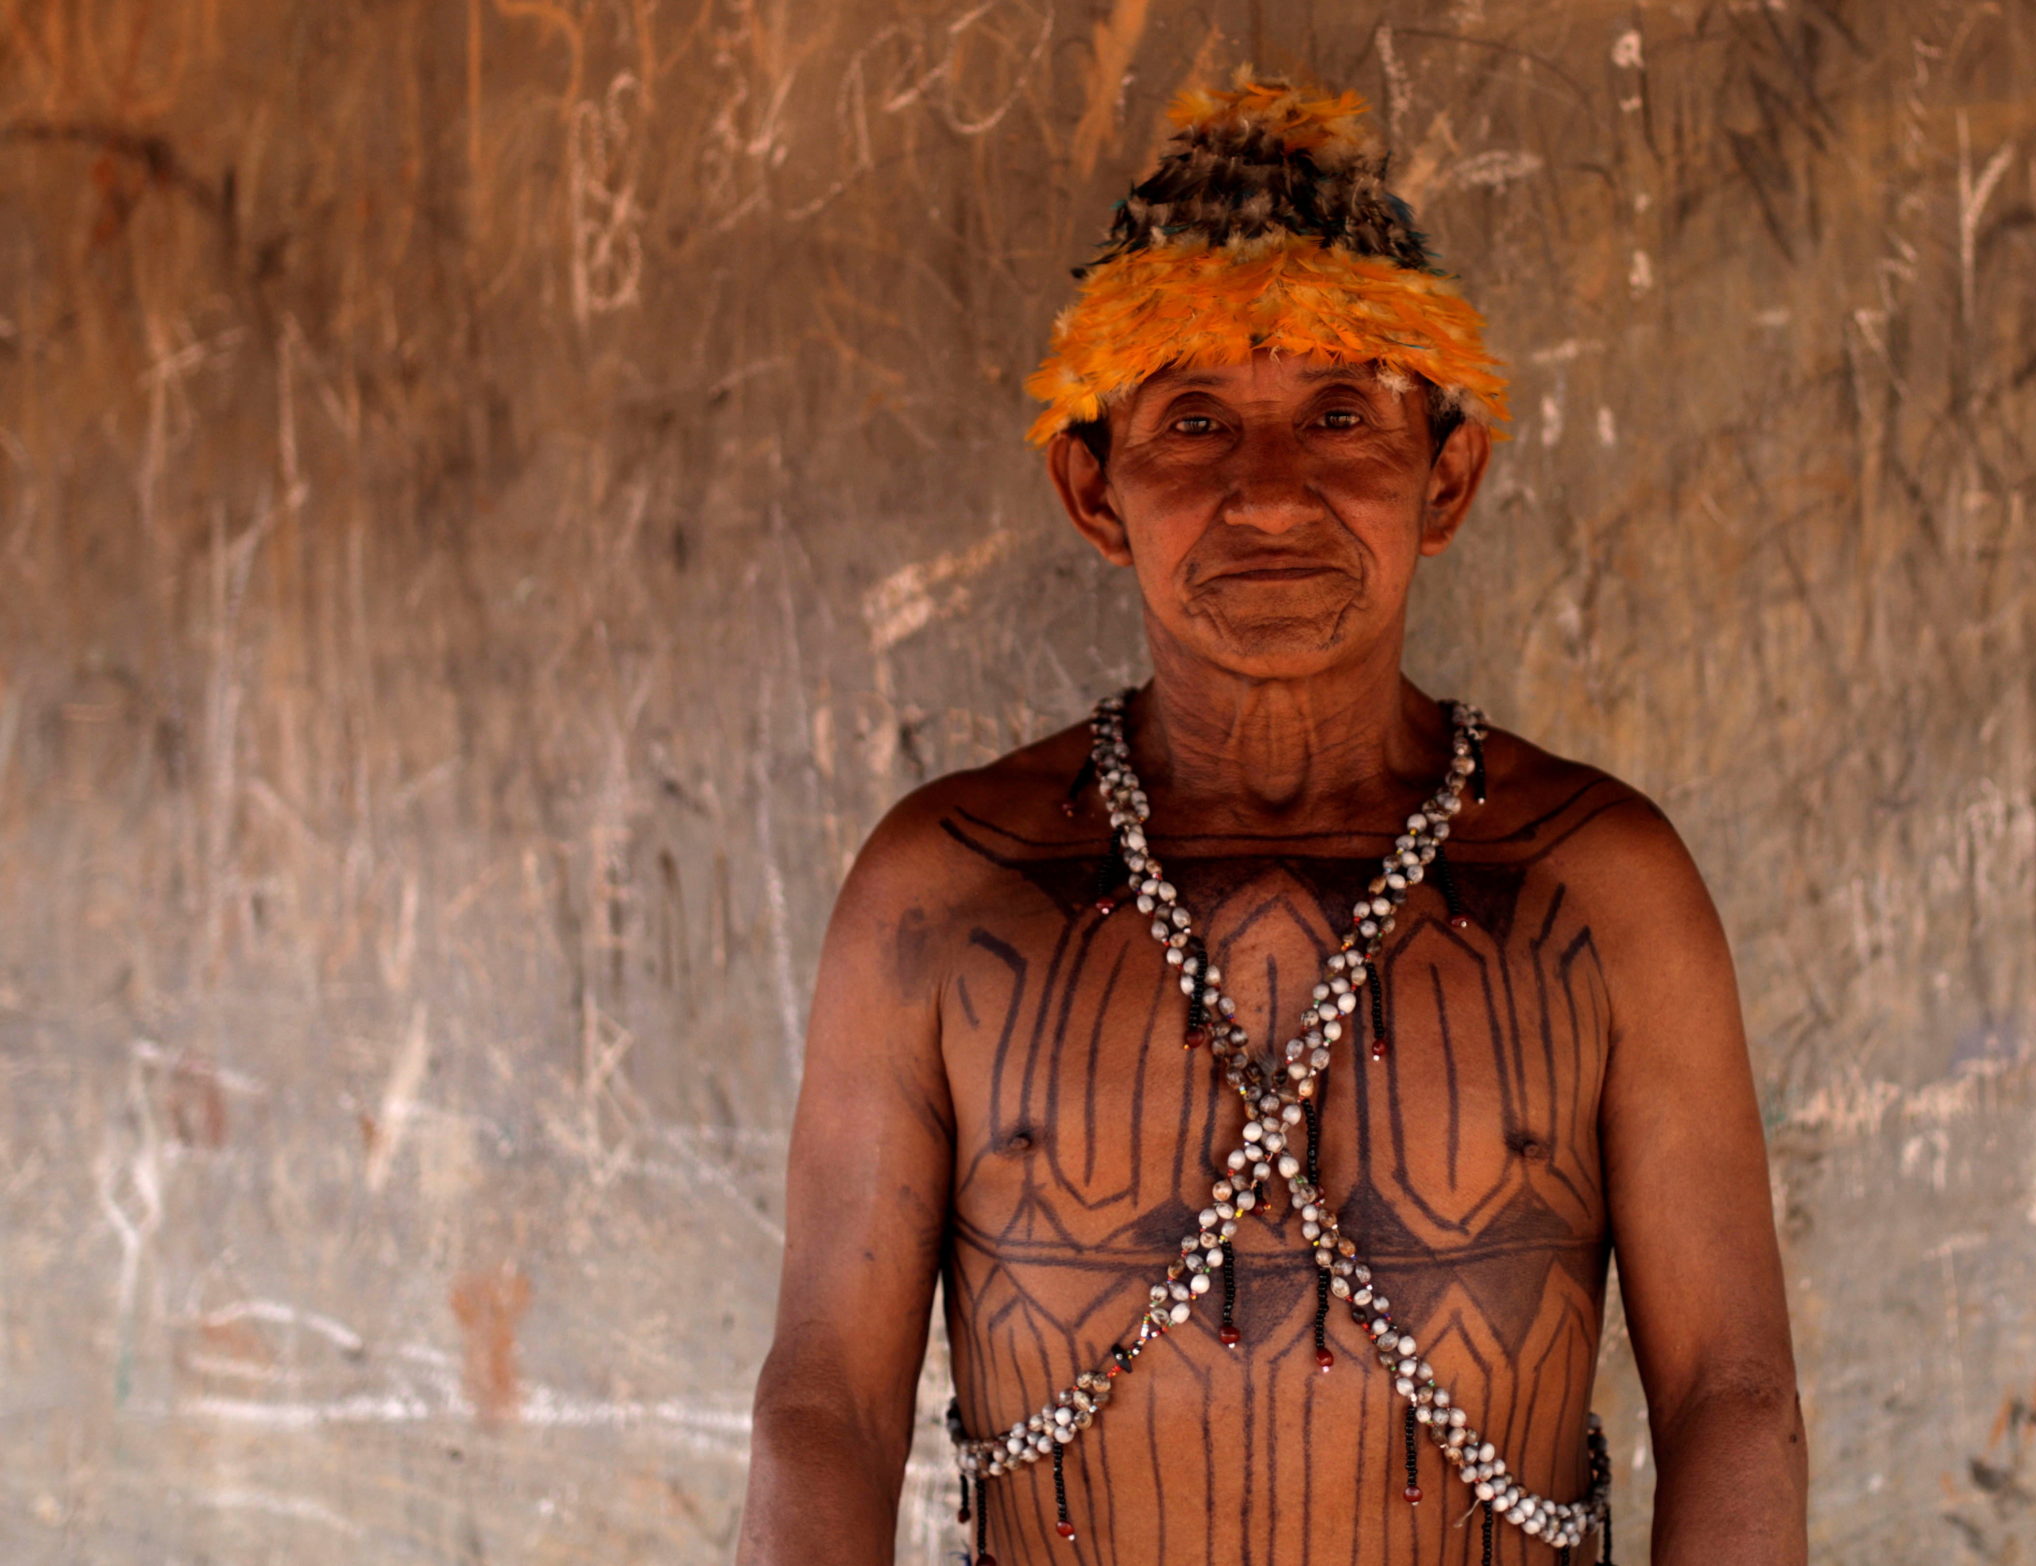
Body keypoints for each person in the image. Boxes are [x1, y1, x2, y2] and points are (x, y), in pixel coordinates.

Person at [737, 73, 1805, 1566]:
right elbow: (825, 1406)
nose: (1273, 492)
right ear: (1093, 490)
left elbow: (1731, 1394)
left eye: (1342, 412)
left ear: (1449, 476)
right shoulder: (943, 893)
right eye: (1191, 419)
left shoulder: (1604, 886)